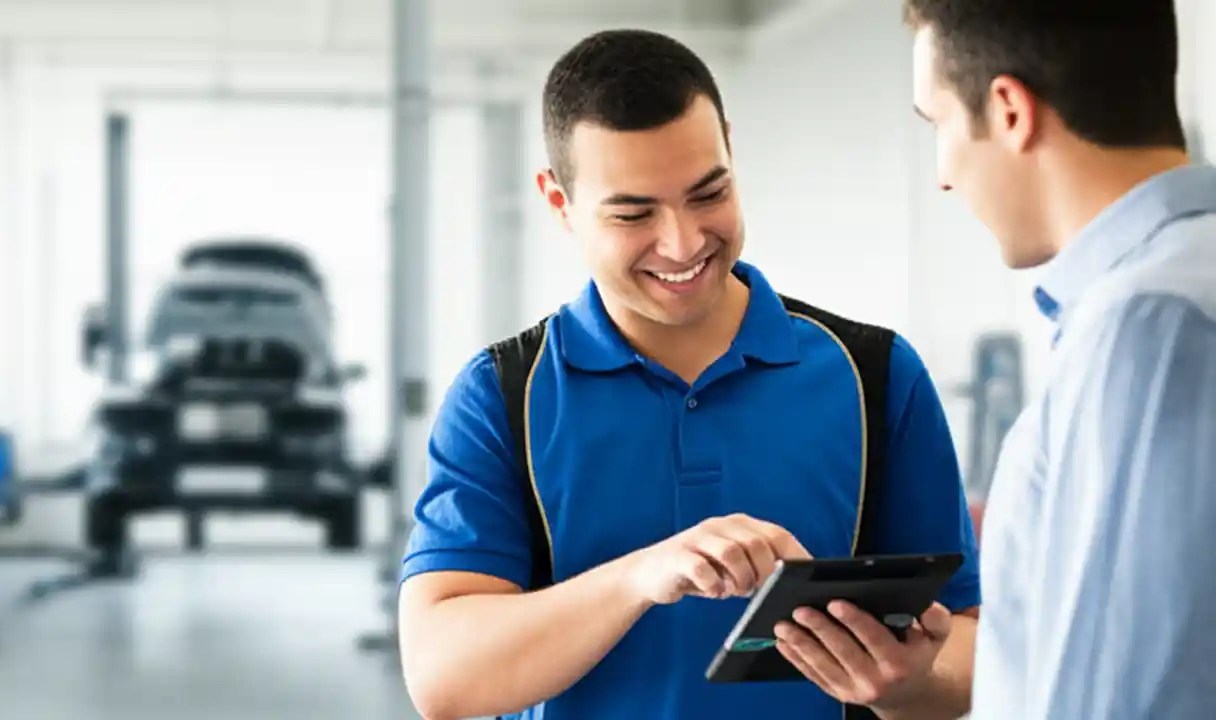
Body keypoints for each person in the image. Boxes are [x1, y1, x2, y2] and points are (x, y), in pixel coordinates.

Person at [398, 29, 980, 720]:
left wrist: (911, 685)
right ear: (559, 202)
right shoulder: (503, 396)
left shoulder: (875, 376)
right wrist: (639, 577)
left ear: (730, 148)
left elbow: (969, 650)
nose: (683, 242)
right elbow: (443, 678)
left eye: (708, 193)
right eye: (633, 213)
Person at [903, 1, 1216, 717]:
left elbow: (1126, 696)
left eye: (940, 124)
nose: (944, 175)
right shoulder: (1168, 292)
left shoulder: (1152, 324)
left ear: (1010, 110)